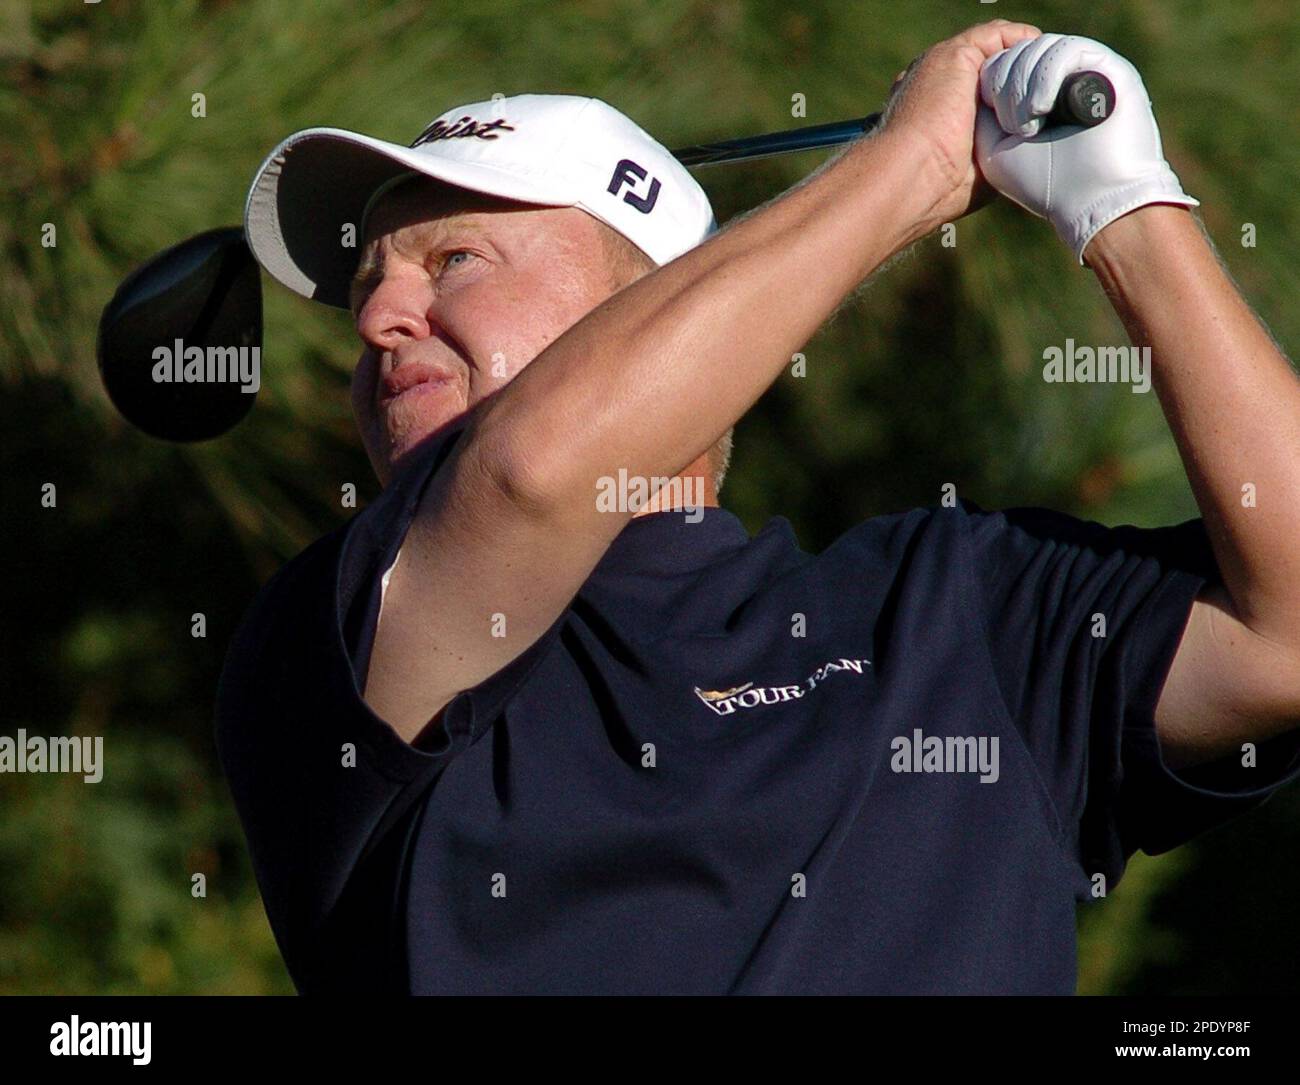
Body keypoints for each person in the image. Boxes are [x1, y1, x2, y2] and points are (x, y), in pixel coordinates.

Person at [217, 21, 1300, 994]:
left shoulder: (956, 607)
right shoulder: (344, 628)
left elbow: (1286, 634)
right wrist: (908, 168)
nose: (379, 319)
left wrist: (1126, 206)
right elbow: (528, 475)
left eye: (453, 259)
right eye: (368, 290)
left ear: (652, 303)